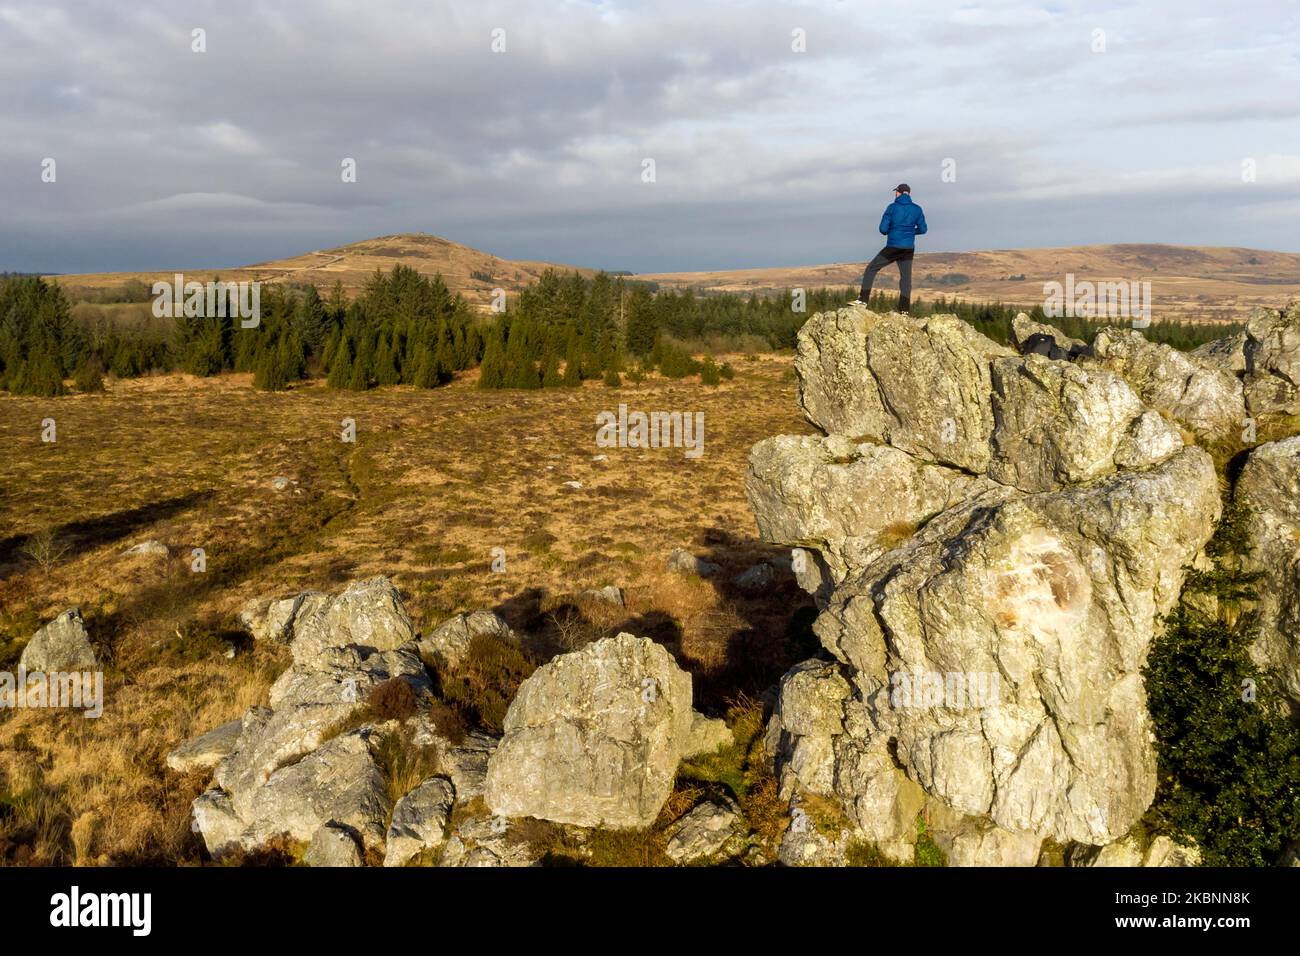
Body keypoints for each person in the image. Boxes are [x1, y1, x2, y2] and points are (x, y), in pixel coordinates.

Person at [854, 184, 927, 313]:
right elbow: (923, 229)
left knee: (872, 268)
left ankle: (863, 300)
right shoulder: (917, 209)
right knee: (906, 278)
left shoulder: (892, 208)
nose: (895, 194)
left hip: (893, 246)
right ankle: (904, 310)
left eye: (896, 192)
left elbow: (882, 229)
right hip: (908, 248)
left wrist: (894, 231)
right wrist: (910, 233)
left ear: (899, 193)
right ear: (909, 194)